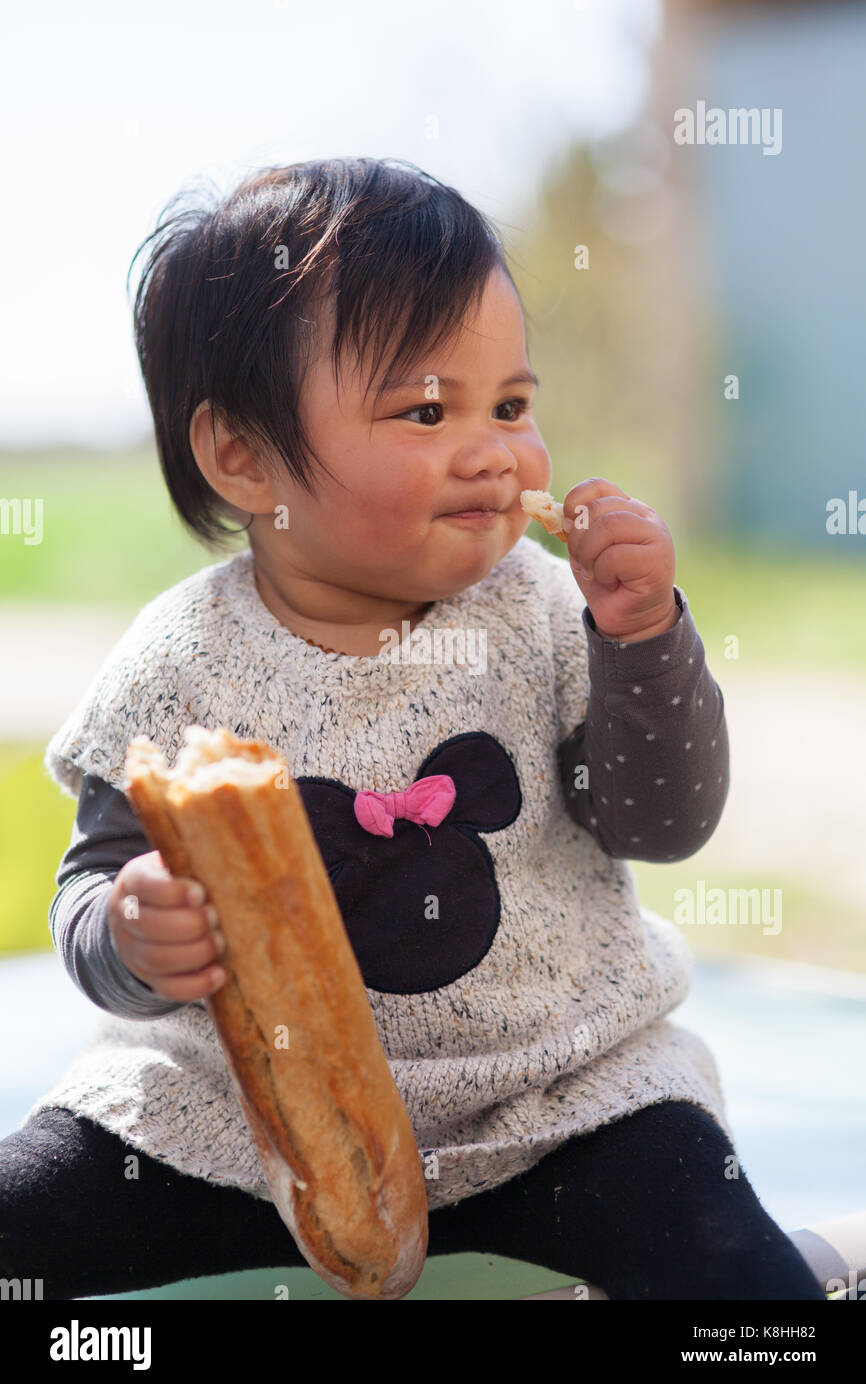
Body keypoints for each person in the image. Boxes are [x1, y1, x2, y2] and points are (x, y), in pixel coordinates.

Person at [0, 157, 825, 1301]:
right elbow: (89, 882)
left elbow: (662, 819)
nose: (493, 449)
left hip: (558, 1104)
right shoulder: (178, 662)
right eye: (427, 410)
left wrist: (640, 640)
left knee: (733, 1273)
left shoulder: (544, 612)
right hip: (236, 1128)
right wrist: (127, 935)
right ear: (240, 455)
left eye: (512, 406)